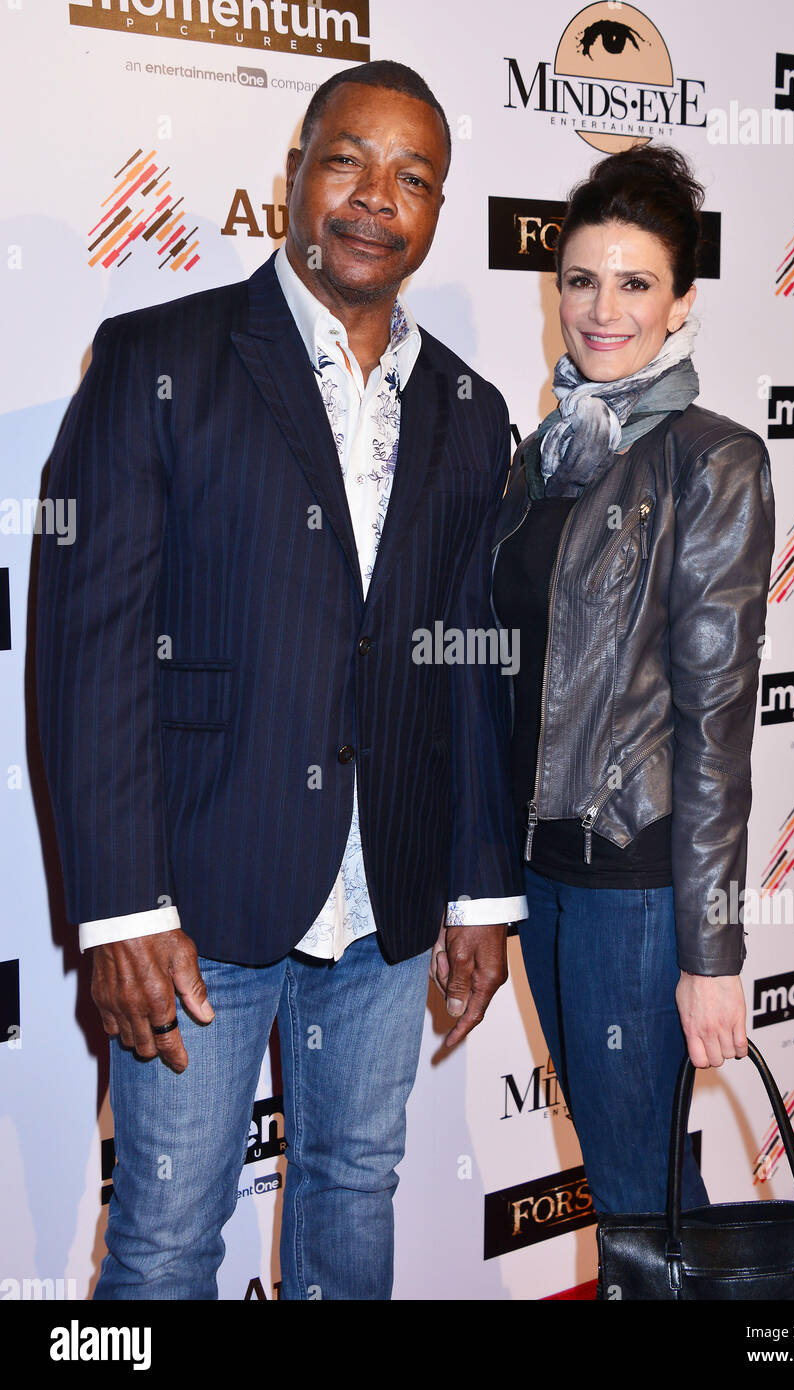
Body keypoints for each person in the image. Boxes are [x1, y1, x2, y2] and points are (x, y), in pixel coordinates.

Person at [35, 60, 526, 1300]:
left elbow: (472, 669)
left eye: (412, 178)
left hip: (387, 900)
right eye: (350, 161)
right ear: (293, 174)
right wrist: (120, 911)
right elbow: (86, 650)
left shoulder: (471, 411)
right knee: (161, 1238)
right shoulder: (158, 360)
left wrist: (479, 893)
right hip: (193, 907)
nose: (375, 199)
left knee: (353, 1195)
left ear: (436, 210)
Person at [491, 145, 776, 1217]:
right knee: (641, 1187)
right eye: (579, 279)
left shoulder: (712, 461)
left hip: (635, 886)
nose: (600, 310)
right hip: (540, 879)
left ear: (680, 301)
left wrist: (710, 950)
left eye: (634, 282)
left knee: (634, 1198)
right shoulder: (541, 459)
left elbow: (714, 722)